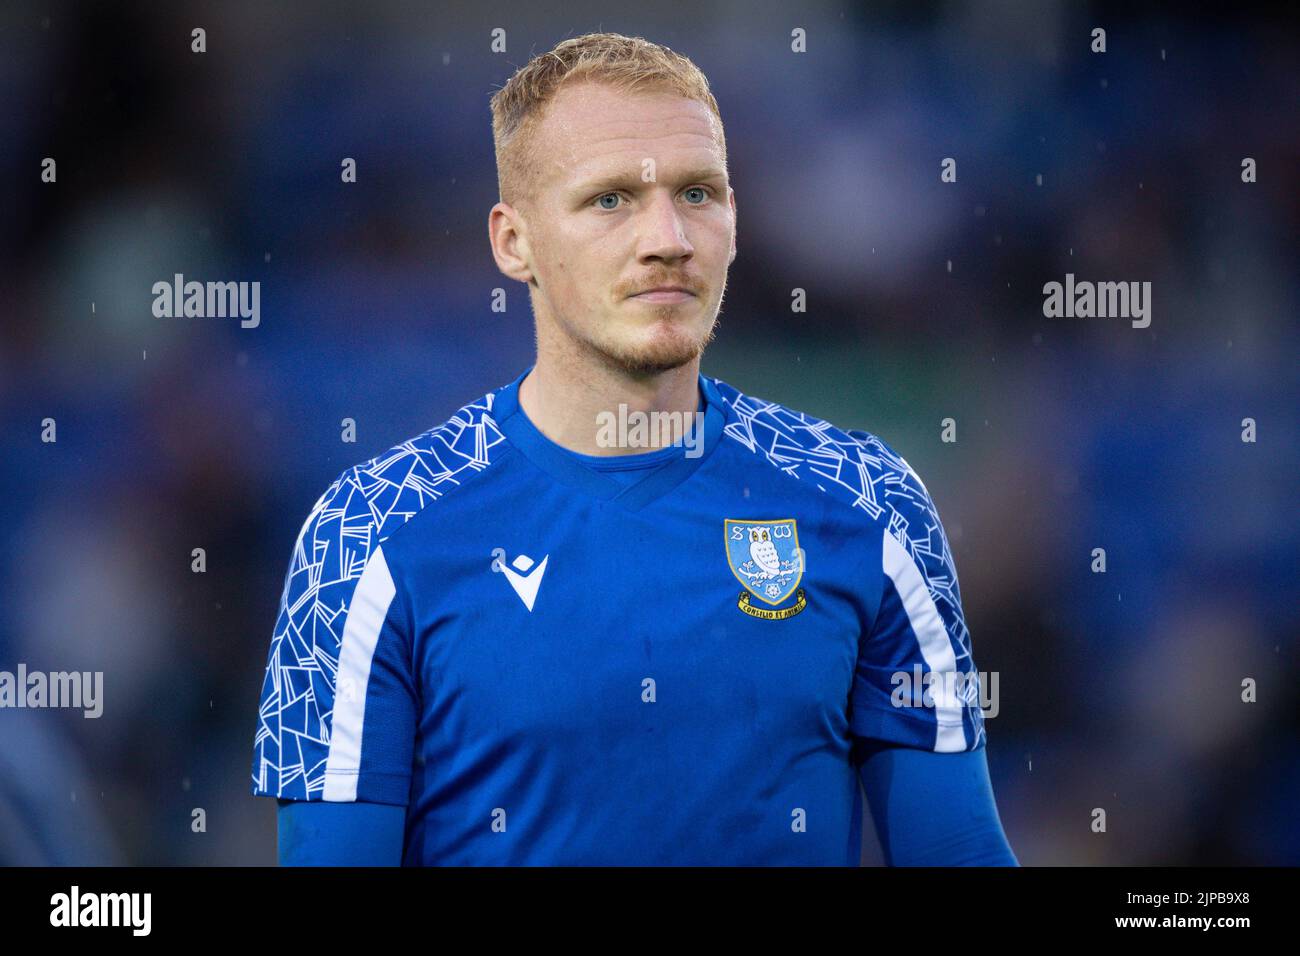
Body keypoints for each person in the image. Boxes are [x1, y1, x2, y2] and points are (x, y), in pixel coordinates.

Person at [252, 32, 1017, 866]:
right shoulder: (369, 533)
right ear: (515, 243)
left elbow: (959, 851)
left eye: (698, 193)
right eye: (611, 200)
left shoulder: (869, 501)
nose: (668, 238)